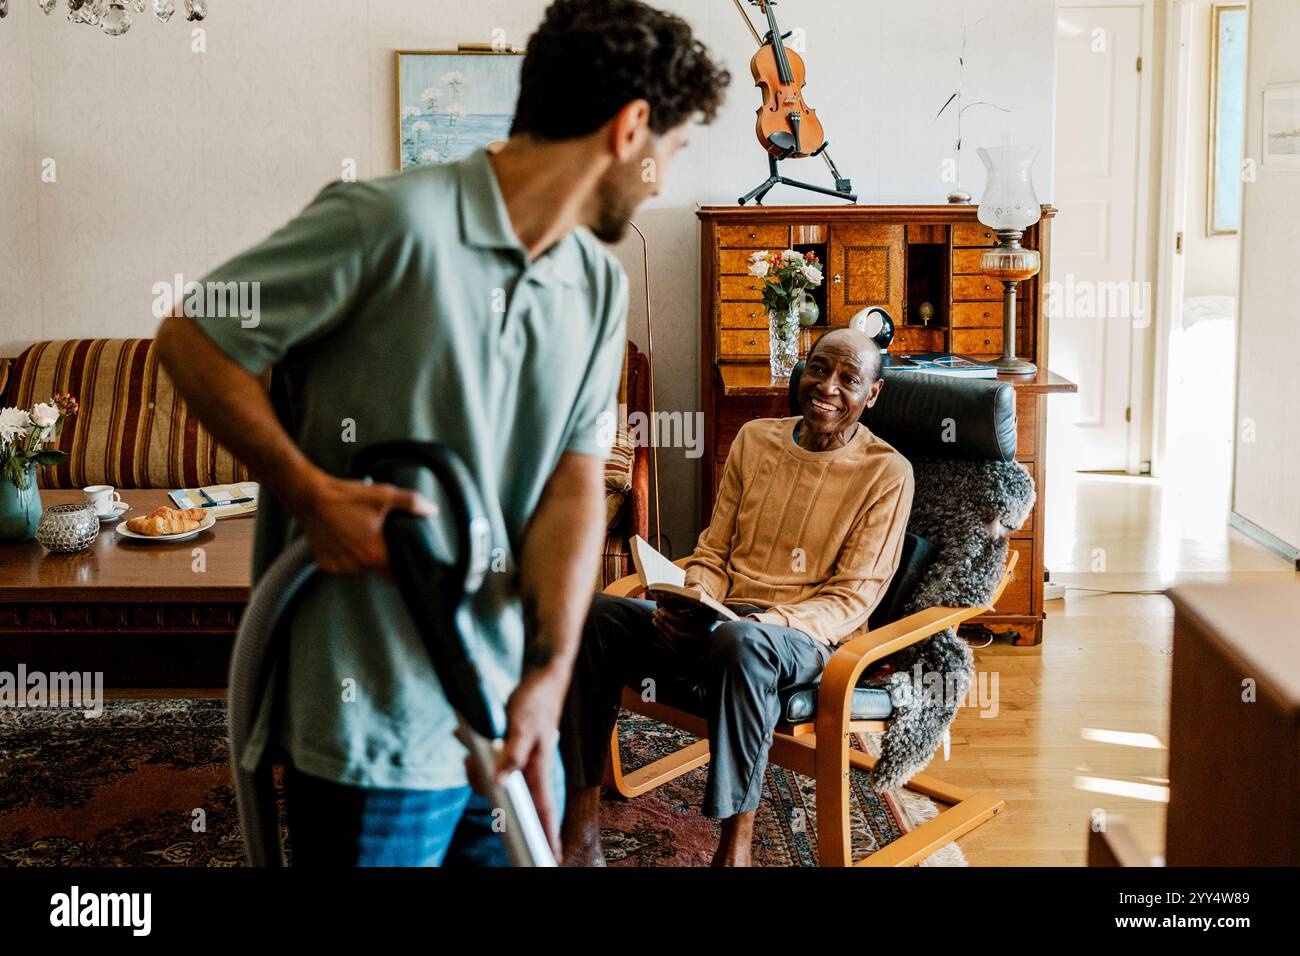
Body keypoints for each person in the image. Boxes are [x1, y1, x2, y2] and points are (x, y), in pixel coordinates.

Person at [155, 0, 729, 866]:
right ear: (631, 127)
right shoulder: (388, 223)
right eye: (671, 153)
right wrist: (311, 497)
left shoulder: (594, 288)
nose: (665, 177)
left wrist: (547, 679)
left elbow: (571, 485)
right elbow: (195, 337)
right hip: (369, 713)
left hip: (501, 708)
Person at [559, 328, 915, 866]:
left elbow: (851, 600)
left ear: (873, 394)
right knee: (596, 613)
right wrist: (691, 599)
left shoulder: (887, 473)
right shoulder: (755, 439)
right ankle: (580, 830)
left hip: (805, 640)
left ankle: (735, 846)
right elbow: (714, 549)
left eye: (849, 379)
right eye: (819, 369)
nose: (828, 386)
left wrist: (765, 620)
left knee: (743, 641)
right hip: (720, 621)